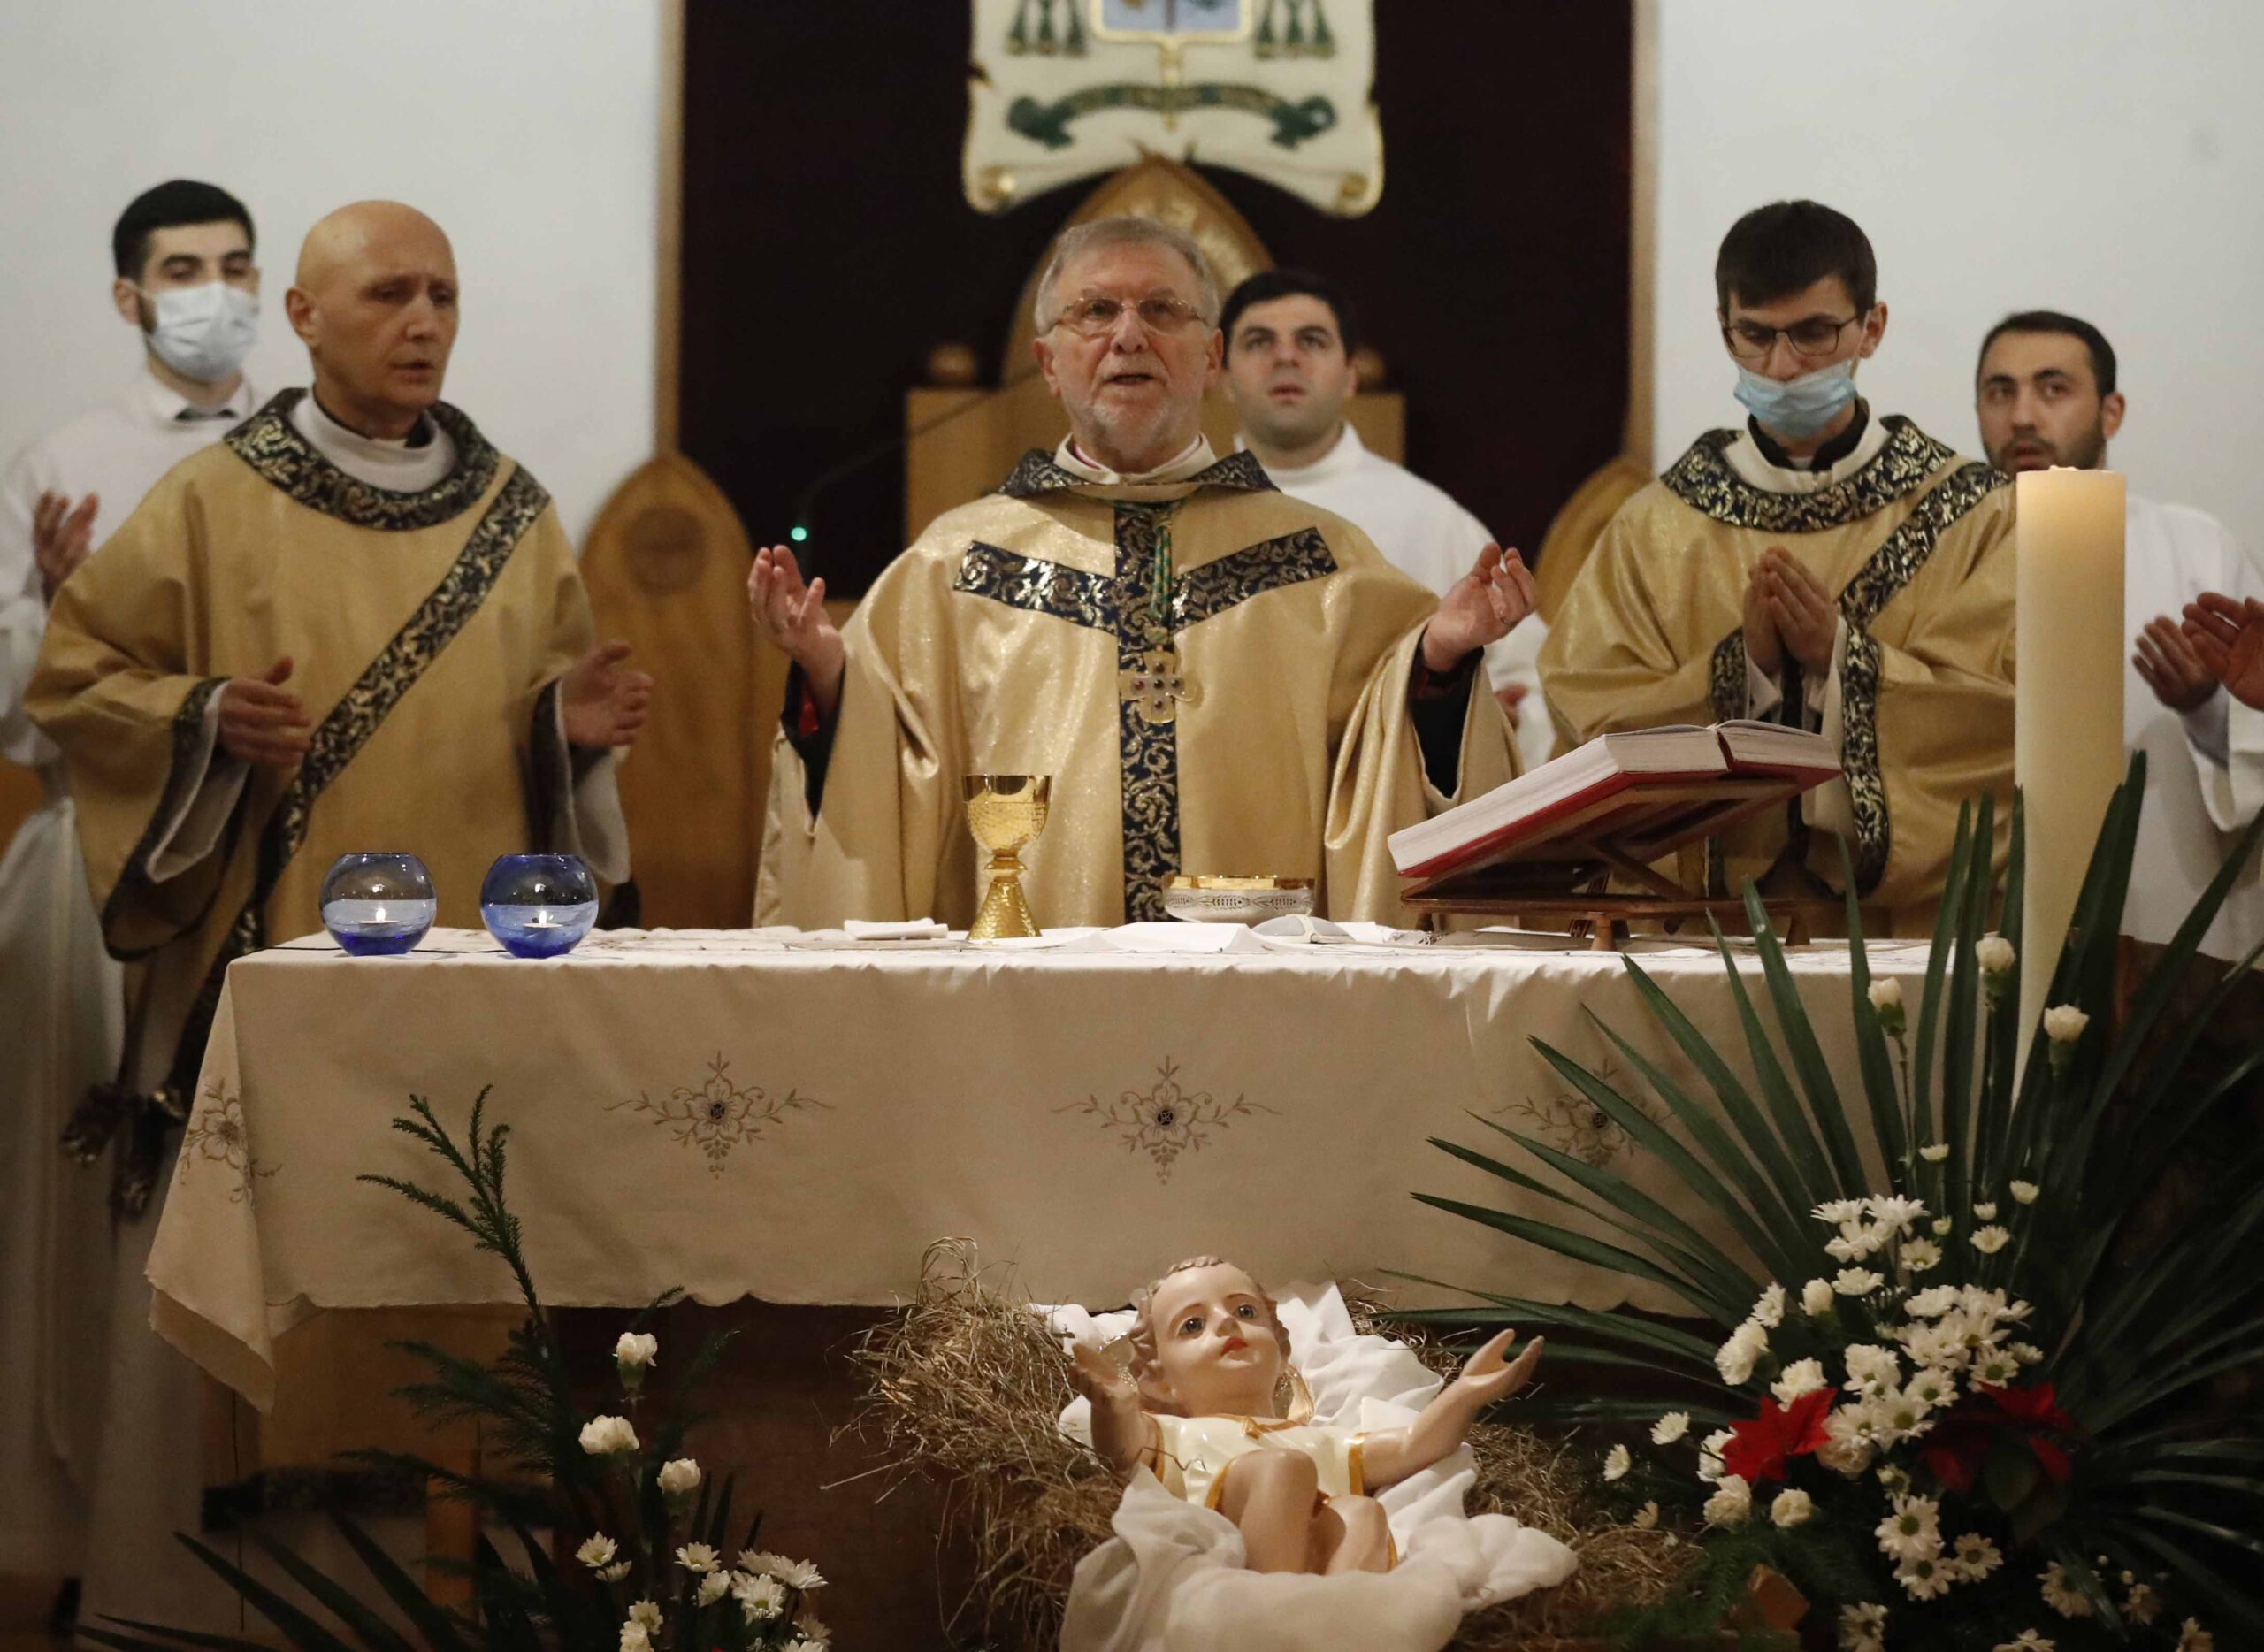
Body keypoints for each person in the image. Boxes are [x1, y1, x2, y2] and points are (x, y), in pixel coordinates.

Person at [27, 199, 649, 1633]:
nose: (423, 321)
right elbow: (75, 681)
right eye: (387, 294)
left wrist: (568, 730)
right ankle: (216, 1614)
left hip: (465, 1001)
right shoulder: (210, 500)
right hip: (263, 985)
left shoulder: (513, 512)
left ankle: (455, 1607)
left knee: (445, 1274)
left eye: (443, 294)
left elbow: (546, 710)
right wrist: (202, 716)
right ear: (303, 318)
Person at [750, 217, 1527, 929]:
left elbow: (1386, 747)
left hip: (1258, 984)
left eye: (1162, 310)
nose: (1128, 336)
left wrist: (1439, 659)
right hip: (1028, 991)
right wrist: (829, 678)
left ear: (1211, 358)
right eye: (1096, 312)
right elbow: (880, 769)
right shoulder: (954, 563)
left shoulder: (1321, 558)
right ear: (1049, 364)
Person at [0, 179, 264, 1595]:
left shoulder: (298, 457)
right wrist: (51, 608)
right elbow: (16, 720)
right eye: (181, 269)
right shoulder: (63, 462)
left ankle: (235, 1541)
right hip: (92, 868)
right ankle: (65, 1535)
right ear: (129, 297)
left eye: (234, 265)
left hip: (257, 865)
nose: (211, 292)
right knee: (77, 1198)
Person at [1540, 200, 2015, 931]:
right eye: (1756, 336)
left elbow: (2000, 720)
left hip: (1901, 935)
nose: (1784, 366)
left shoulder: (1972, 515)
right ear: (1724, 329)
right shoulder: (1657, 526)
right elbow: (1588, 716)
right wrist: (1746, 669)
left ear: (1872, 327)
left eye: (1814, 333)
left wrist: (1842, 659)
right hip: (1708, 936)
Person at [1977, 310, 2264, 960]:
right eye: (2000, 392)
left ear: (2112, 412)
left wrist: (2207, 707)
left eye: (2053, 388)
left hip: (2171, 923)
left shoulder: (2198, 551)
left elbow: (2257, 727)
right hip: (1993, 921)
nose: (2022, 415)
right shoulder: (1950, 562)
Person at [1219, 267, 1554, 771]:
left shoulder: (1428, 518)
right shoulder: (1191, 514)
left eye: (1311, 340)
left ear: (1350, 375)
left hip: (1385, 802)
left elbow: (1528, 689)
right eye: (1259, 341)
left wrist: (1478, 723)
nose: (1286, 357)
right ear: (1221, 375)